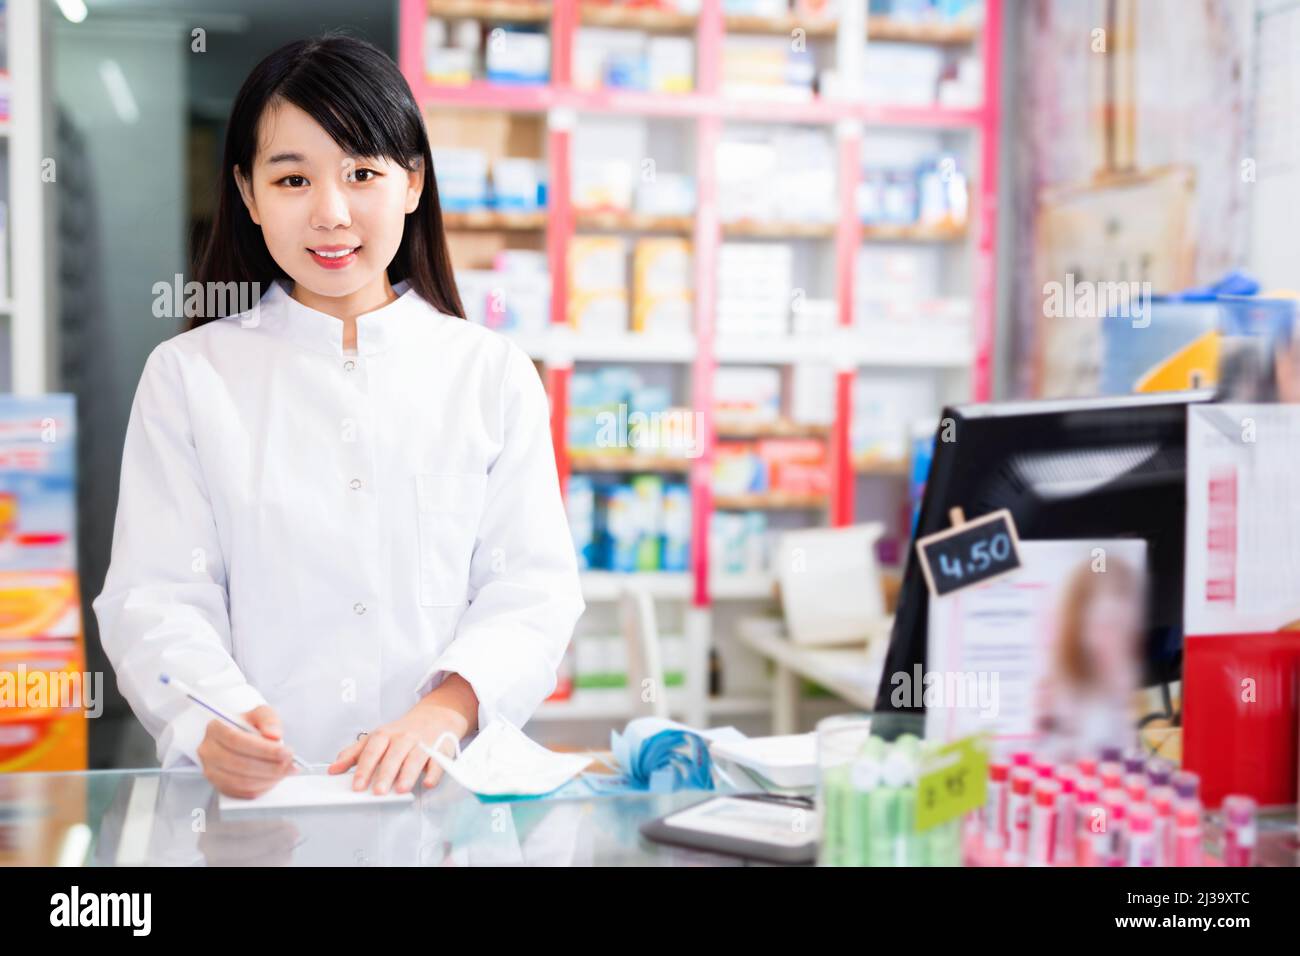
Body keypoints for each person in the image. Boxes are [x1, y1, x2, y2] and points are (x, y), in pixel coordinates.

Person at [93, 35, 583, 799]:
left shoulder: (489, 374)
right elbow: (155, 597)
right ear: (248, 194)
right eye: (292, 179)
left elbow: (533, 590)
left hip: (443, 797)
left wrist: (444, 711)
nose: (330, 213)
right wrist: (211, 720)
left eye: (362, 174)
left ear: (412, 182)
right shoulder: (189, 377)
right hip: (259, 800)